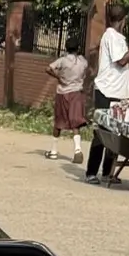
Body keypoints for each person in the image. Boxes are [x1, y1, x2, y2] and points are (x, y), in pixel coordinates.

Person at [87, 3, 129, 182]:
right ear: (125, 20)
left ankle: (107, 172)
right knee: (102, 133)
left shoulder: (117, 38)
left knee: (114, 134)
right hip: (107, 91)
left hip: (118, 92)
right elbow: (122, 61)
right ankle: (92, 172)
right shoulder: (112, 37)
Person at [45, 33, 90, 164]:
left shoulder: (62, 61)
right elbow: (86, 70)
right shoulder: (83, 61)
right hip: (76, 93)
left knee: (59, 121)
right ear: (78, 48)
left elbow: (48, 68)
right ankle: (77, 150)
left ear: (65, 47)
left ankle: (53, 151)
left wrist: (58, 77)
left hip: (62, 92)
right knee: (75, 121)